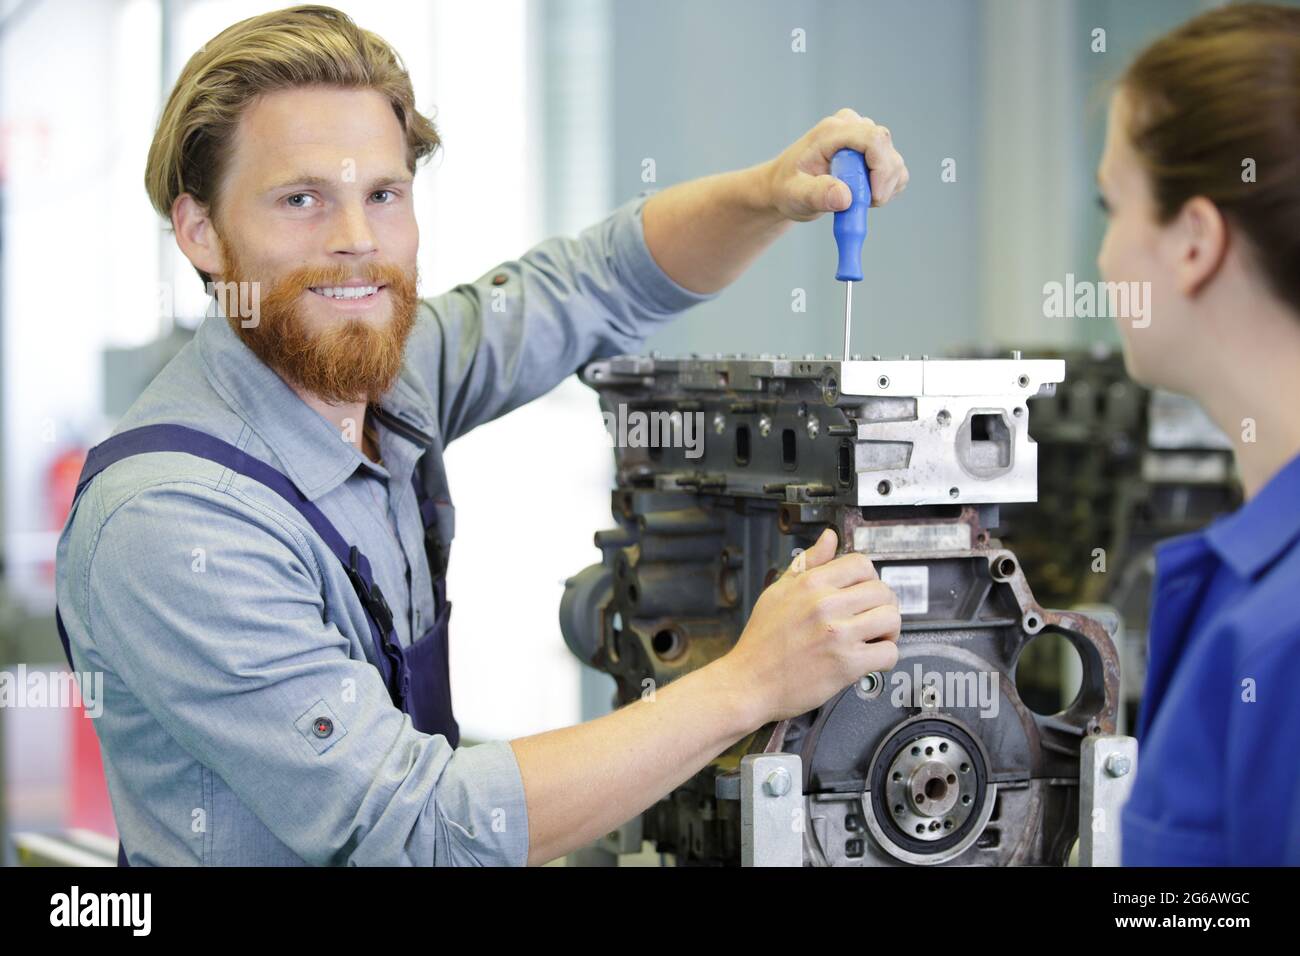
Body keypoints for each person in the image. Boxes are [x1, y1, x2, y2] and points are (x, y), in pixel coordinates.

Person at [55, 4, 907, 865]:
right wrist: (751, 682)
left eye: (383, 194)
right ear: (200, 230)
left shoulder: (385, 369)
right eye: (301, 199)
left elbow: (598, 283)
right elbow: (417, 831)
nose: (356, 242)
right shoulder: (172, 521)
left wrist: (768, 194)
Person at [1095, 2, 1300, 865]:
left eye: (1113, 206)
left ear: (1194, 242)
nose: (1104, 259)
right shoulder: (1249, 589)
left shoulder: (1282, 638)